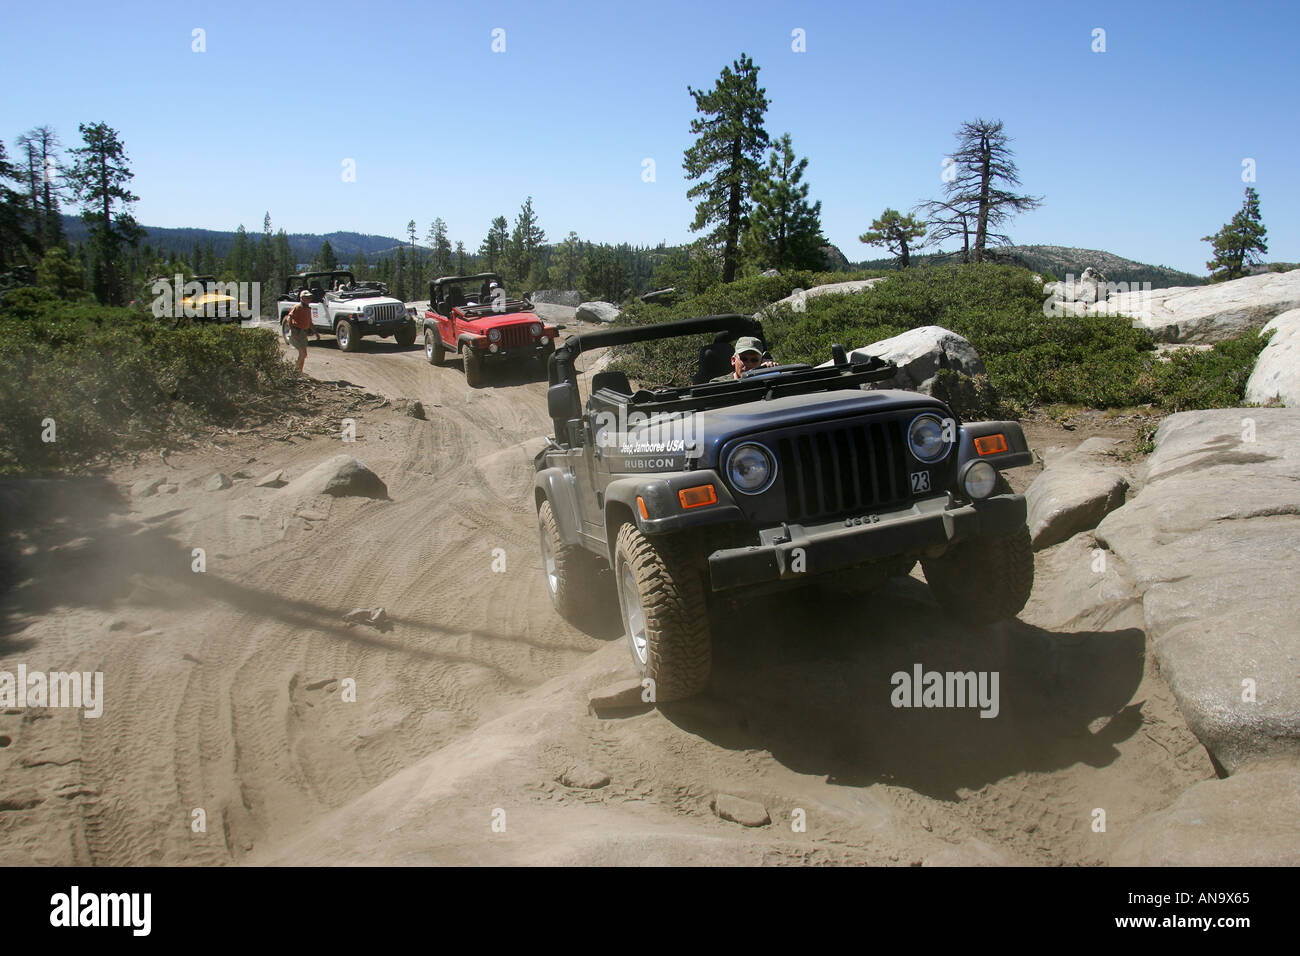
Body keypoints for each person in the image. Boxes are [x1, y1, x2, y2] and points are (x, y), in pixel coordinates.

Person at [710, 335, 775, 382]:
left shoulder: (767, 381)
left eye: (754, 360)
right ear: (733, 360)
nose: (749, 364)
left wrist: (773, 370)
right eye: (744, 359)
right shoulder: (719, 384)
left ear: (761, 363)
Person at [285, 289, 316, 372]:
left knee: (304, 354)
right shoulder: (297, 307)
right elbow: (289, 318)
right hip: (296, 331)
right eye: (307, 298)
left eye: (310, 298)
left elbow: (309, 322)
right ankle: (296, 371)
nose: (309, 299)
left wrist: (316, 333)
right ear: (302, 298)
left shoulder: (308, 309)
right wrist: (292, 330)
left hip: (303, 333)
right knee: (302, 353)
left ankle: (298, 371)